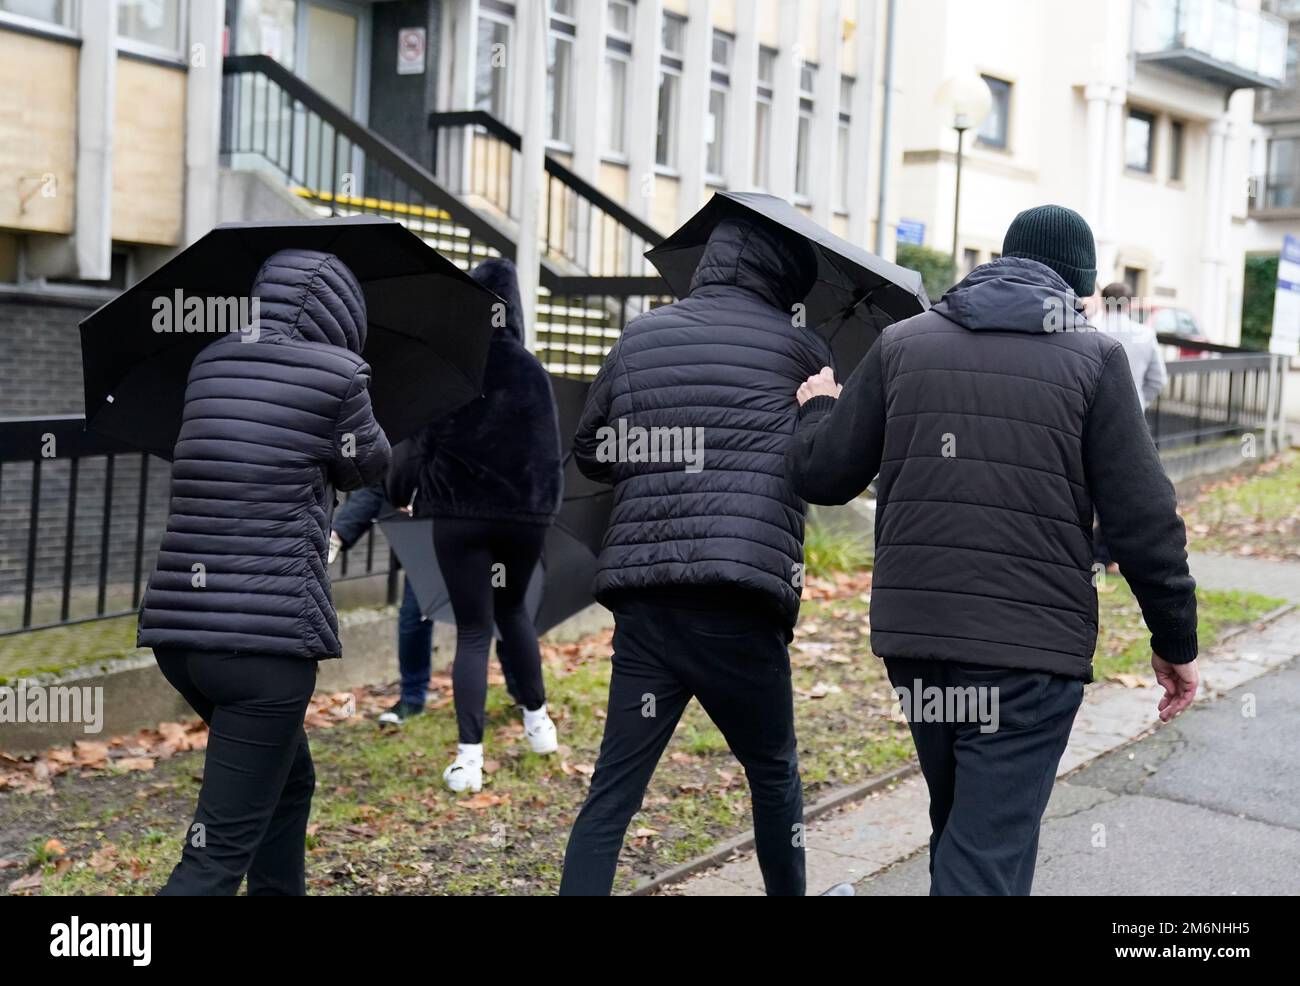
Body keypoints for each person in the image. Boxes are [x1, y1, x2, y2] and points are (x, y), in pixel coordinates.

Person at [787, 205, 1199, 896]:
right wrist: (1175, 641)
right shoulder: (1096, 359)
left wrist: (819, 408)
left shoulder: (903, 344)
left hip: (918, 647)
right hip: (1029, 659)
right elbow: (1146, 520)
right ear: (1077, 286)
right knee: (985, 855)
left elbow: (824, 475)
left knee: (968, 832)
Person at [559, 215, 828, 897]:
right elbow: (822, 468)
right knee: (771, 772)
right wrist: (821, 408)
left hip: (646, 592)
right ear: (786, 280)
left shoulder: (641, 335)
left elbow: (590, 452)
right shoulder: (803, 352)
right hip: (739, 594)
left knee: (614, 788)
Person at [137, 248, 391, 895]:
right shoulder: (339, 376)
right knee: (214, 856)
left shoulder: (210, 361)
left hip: (180, 637)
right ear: (344, 314)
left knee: (288, 783)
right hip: (263, 650)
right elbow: (371, 466)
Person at [387, 258, 563, 794]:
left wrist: (404, 495)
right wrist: (540, 513)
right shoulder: (533, 371)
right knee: (513, 611)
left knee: (471, 631)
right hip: (524, 519)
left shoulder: (452, 369)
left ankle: (469, 760)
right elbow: (549, 452)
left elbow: (415, 448)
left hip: (459, 518)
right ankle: (539, 725)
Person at [328, 486, 433, 725]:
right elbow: (382, 486)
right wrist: (338, 534)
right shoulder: (410, 451)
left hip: (474, 533)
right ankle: (412, 699)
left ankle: (525, 697)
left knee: (498, 617)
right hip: (429, 541)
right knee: (413, 618)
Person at [1097, 281, 1167, 410]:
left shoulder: (1092, 330)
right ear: (1129, 305)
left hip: (1095, 410)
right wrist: (1141, 401)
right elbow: (1158, 379)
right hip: (1133, 410)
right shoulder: (1146, 334)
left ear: (1103, 303)